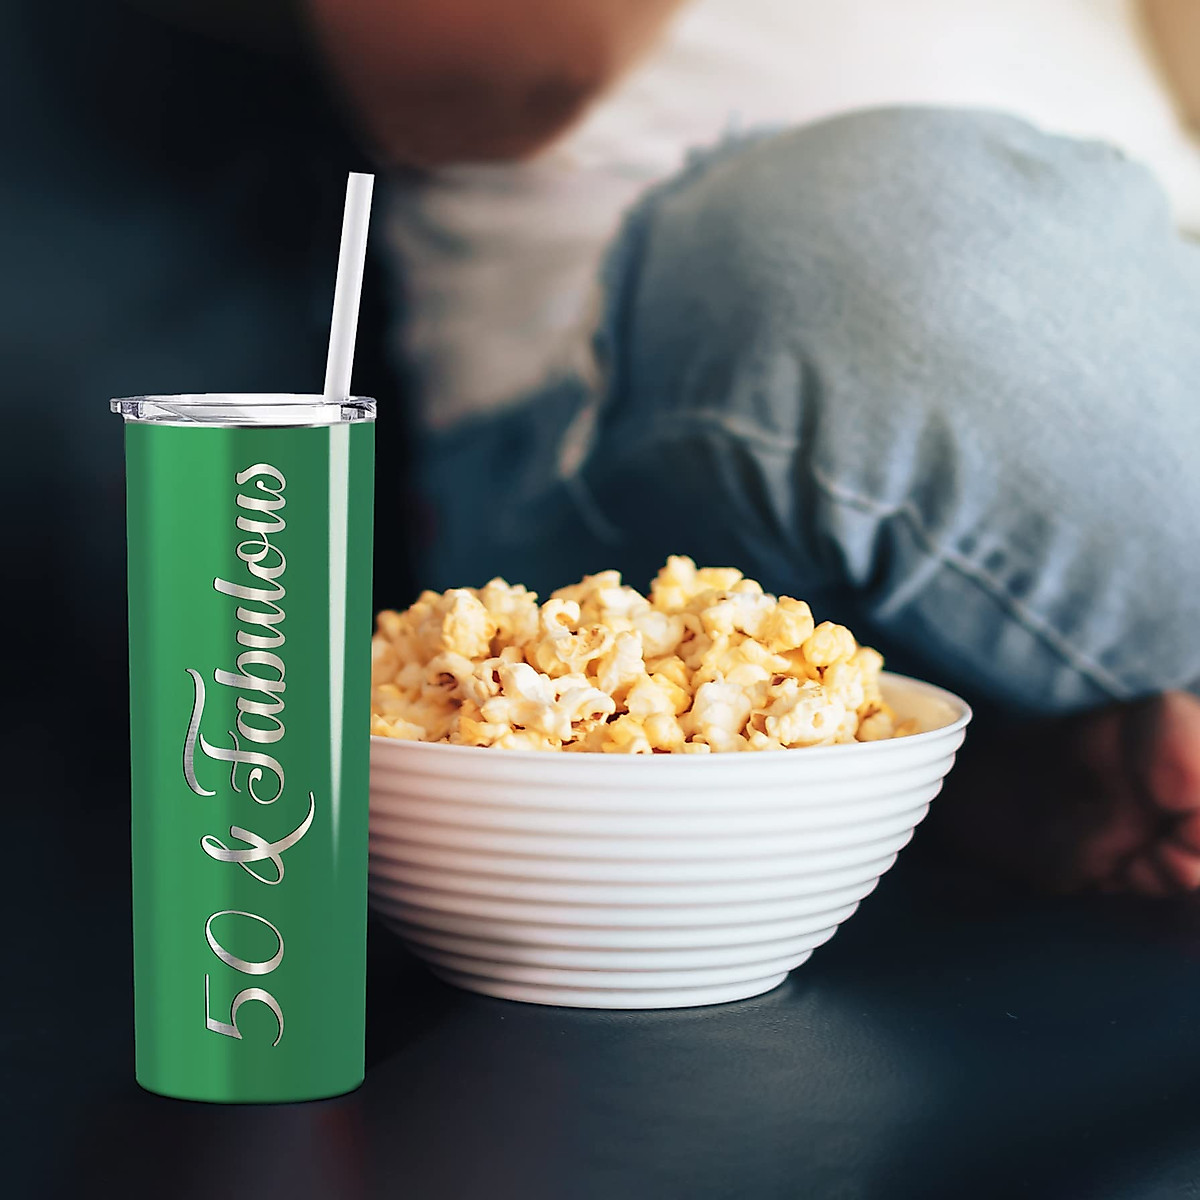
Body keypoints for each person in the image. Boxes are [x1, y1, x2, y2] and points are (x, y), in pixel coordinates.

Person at [170, 0, 1200, 896]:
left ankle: (930, 743)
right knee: (889, 237)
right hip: (648, 376)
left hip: (1154, 288)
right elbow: (457, 75)